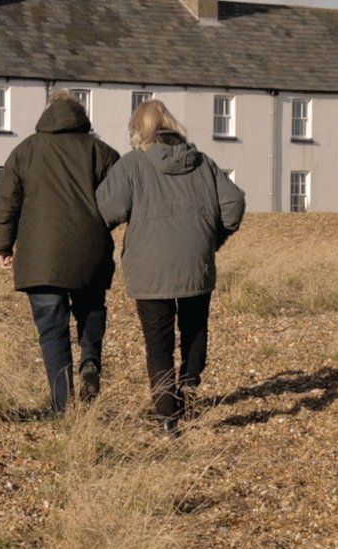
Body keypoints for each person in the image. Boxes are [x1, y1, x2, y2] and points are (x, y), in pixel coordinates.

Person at [96, 100, 246, 436]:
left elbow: (107, 210)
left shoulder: (133, 165)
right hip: (196, 262)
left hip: (149, 268)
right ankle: (188, 389)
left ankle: (166, 413)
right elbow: (233, 204)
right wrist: (212, 239)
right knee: (194, 327)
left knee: (158, 339)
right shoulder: (203, 162)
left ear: (139, 131)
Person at [0, 90, 120, 415]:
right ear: (82, 114)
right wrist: (103, 225)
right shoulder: (102, 152)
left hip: (40, 257)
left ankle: (62, 404)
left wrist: (3, 246)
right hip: (90, 249)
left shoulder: (25, 151)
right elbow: (121, 200)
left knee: (52, 328)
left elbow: (7, 202)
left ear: (48, 112)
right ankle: (89, 360)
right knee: (91, 307)